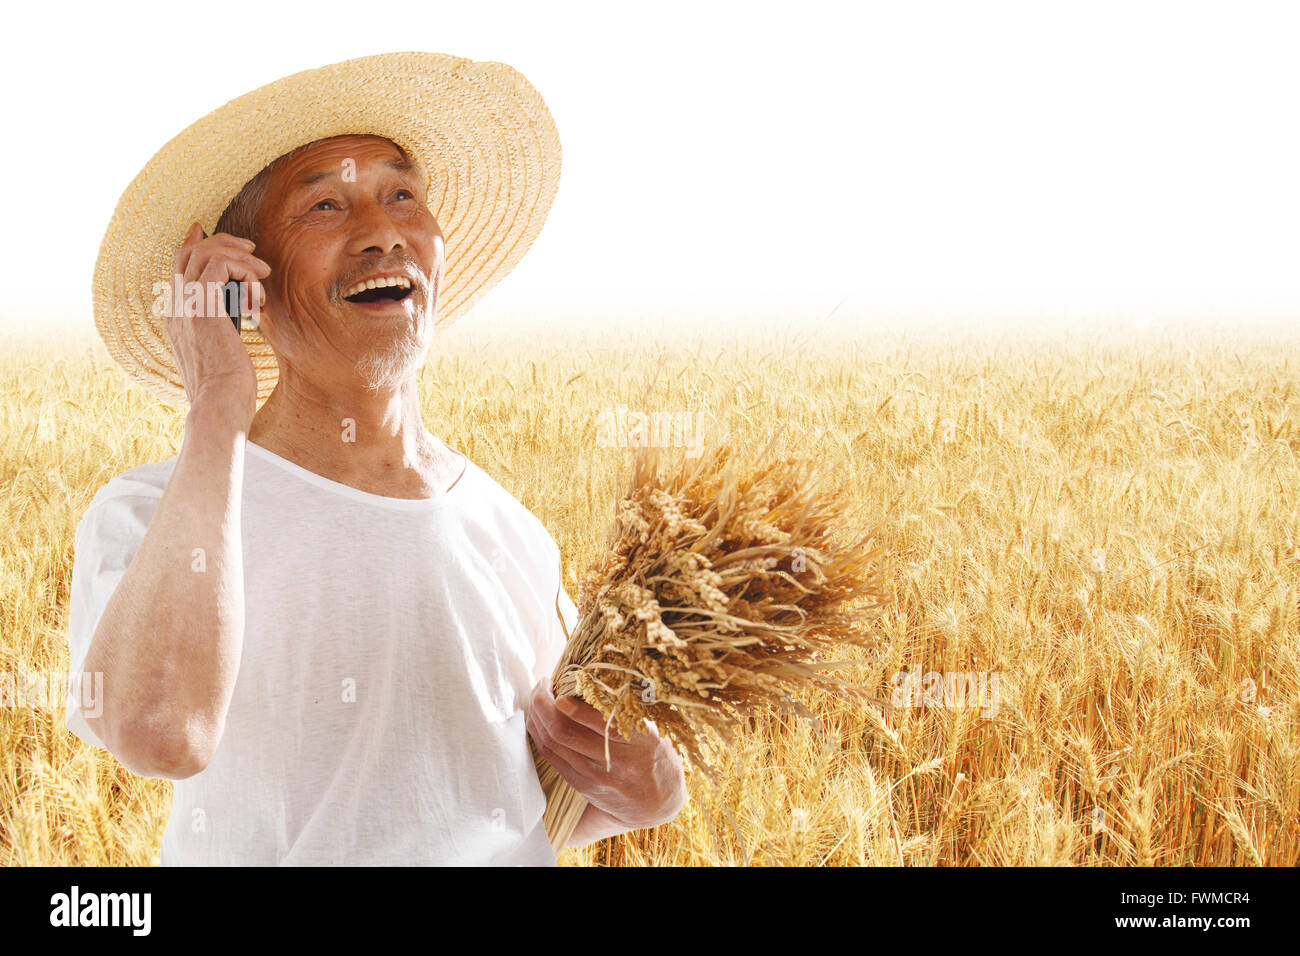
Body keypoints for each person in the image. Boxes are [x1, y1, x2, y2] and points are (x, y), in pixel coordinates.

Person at [68, 52, 685, 866]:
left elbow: (502, 807)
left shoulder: (511, 535)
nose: (382, 230)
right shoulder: (151, 516)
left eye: (403, 196)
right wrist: (219, 403)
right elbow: (161, 733)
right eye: (324, 204)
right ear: (246, 282)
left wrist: (650, 791)